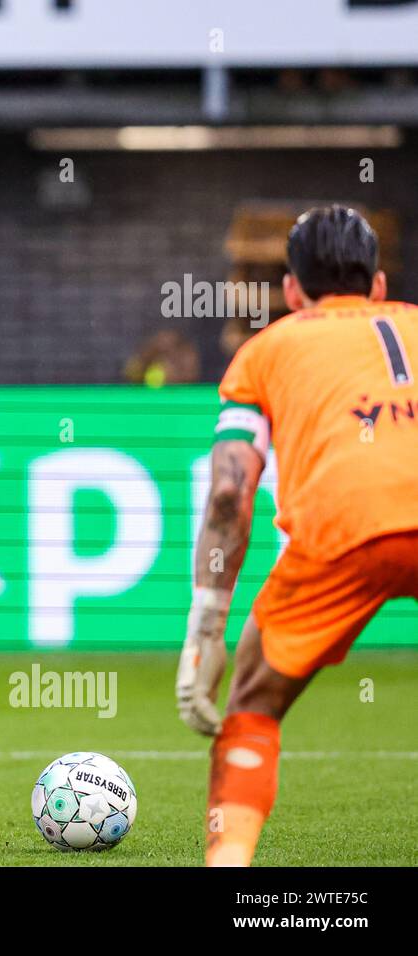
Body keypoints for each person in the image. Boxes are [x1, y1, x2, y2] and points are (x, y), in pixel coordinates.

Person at [177, 205, 418, 866]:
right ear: (378, 285)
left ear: (290, 292)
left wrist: (207, 623)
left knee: (251, 706)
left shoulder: (266, 350)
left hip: (346, 529)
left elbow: (230, 493)